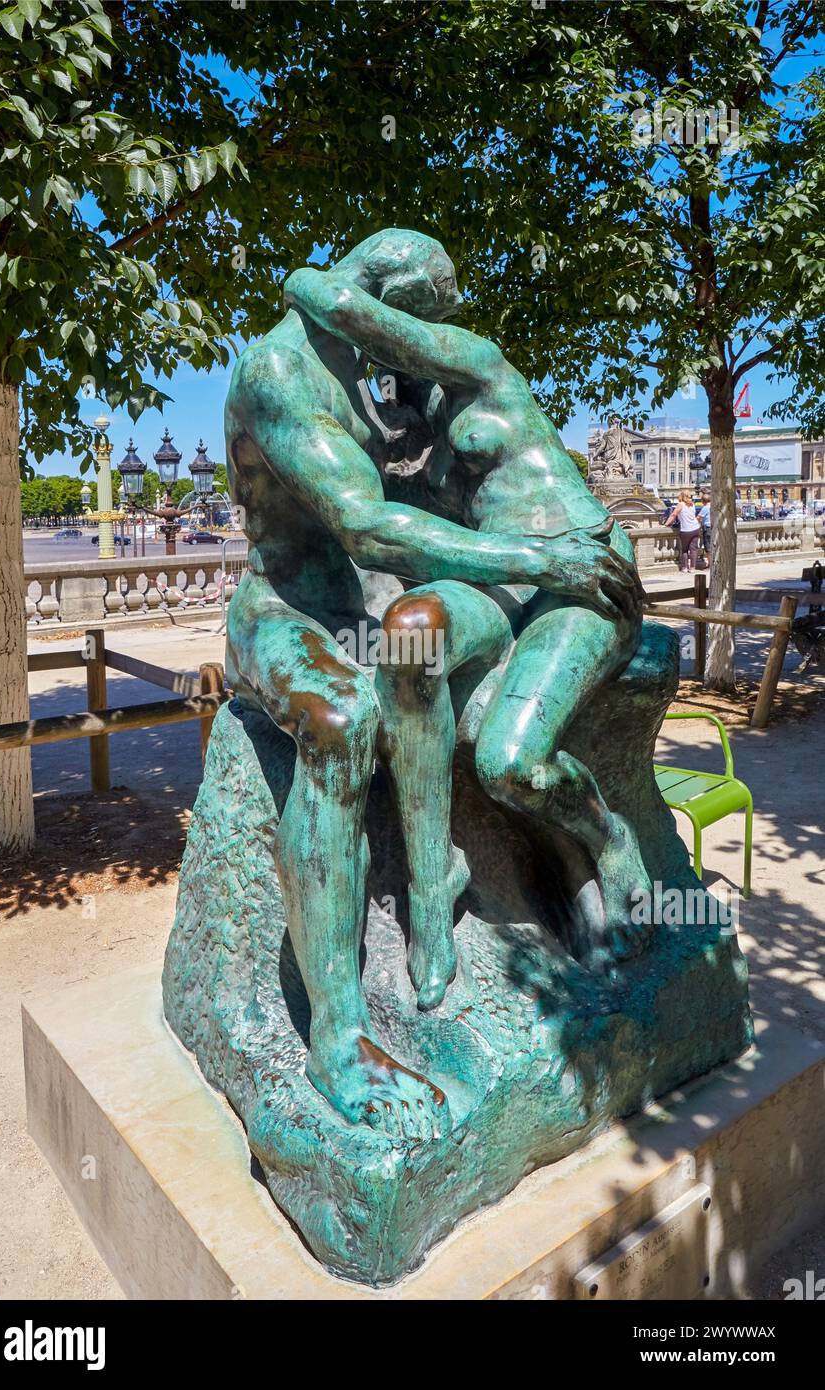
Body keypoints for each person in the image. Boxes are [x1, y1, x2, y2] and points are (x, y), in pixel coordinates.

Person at [223, 229, 641, 1139]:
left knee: (413, 667)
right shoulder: (279, 371)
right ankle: (339, 1039)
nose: (419, 349)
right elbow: (369, 528)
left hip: (374, 614)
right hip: (281, 615)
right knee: (340, 720)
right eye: (416, 323)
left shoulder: (383, 392)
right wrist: (535, 554)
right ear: (384, 302)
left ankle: (439, 884)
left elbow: (423, 515)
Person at [284, 252, 652, 1012]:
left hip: (578, 564)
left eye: (415, 327)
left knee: (509, 762)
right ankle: (431, 880)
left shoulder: (480, 368)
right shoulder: (407, 440)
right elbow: (390, 538)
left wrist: (303, 281)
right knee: (411, 633)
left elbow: (341, 307)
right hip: (506, 581)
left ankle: (608, 838)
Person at [662, 490, 701, 571]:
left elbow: (673, 515)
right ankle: (693, 568)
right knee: (693, 549)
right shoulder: (692, 504)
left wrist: (665, 525)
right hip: (695, 528)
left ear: (682, 496)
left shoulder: (681, 504)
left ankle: (685, 567)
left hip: (686, 529)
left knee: (685, 549)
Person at [697, 491, 712, 567]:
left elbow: (698, 518)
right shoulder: (713, 506)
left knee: (708, 547)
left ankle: (710, 564)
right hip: (713, 528)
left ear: (703, 501)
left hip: (707, 529)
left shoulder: (705, 508)